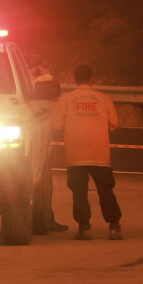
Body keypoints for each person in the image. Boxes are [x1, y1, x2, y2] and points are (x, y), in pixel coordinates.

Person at [57, 63, 123, 240]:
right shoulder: (103, 99)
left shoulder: (66, 100)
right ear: (92, 79)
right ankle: (114, 226)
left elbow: (56, 124)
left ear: (75, 79)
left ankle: (84, 227)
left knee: (79, 192)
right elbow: (114, 124)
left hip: (75, 154)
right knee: (105, 190)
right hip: (99, 153)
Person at [29, 59, 66, 233]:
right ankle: (41, 221)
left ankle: (45, 218)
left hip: (35, 139)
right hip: (38, 140)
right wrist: (44, 74)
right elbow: (50, 87)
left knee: (41, 183)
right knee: (40, 183)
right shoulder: (38, 82)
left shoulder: (25, 84)